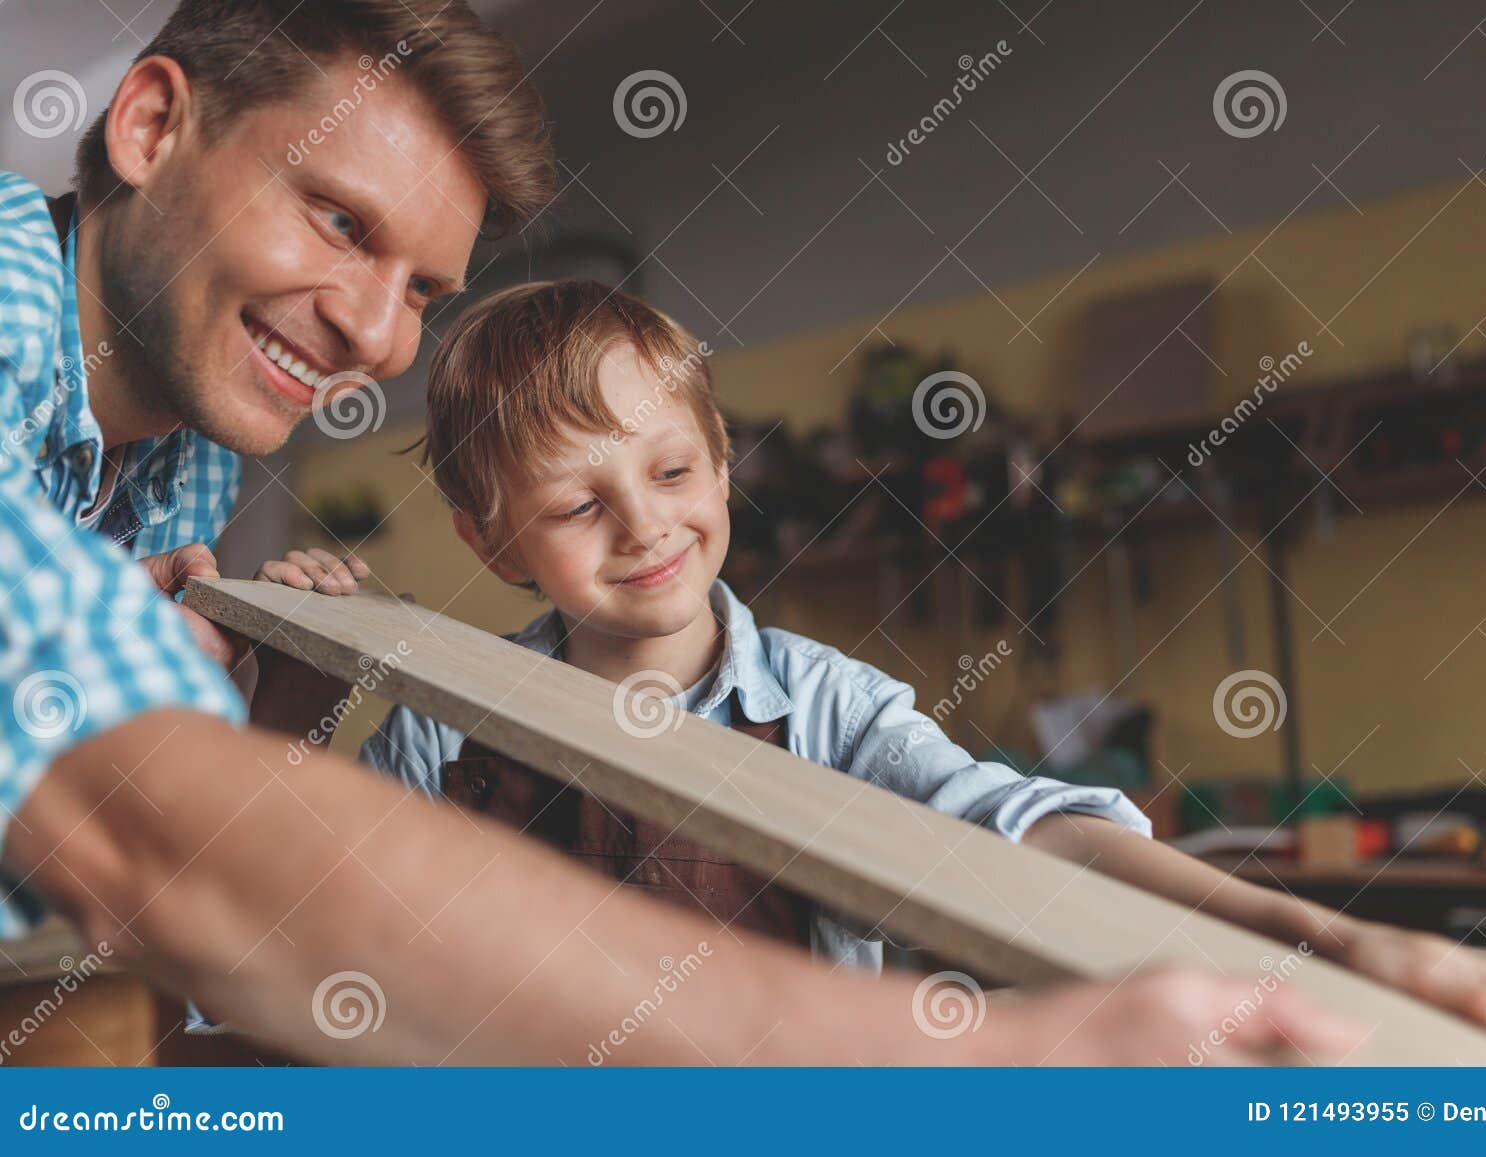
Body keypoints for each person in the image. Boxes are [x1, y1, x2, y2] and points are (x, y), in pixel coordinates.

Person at [0, 0, 1360, 1066]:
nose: (373, 334)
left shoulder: (182, 458)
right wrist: (976, 1067)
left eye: (421, 285)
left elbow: (996, 818)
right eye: (338, 220)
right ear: (151, 123)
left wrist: (1300, 926)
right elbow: (160, 849)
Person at [252, 279, 1486, 1062]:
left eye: (670, 470)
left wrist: (1329, 934)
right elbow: (303, 914)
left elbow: (1038, 837)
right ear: (491, 544)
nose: (647, 523)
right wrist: (296, 705)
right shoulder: (450, 721)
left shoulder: (828, 709)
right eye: (576, 504)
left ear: (721, 465)